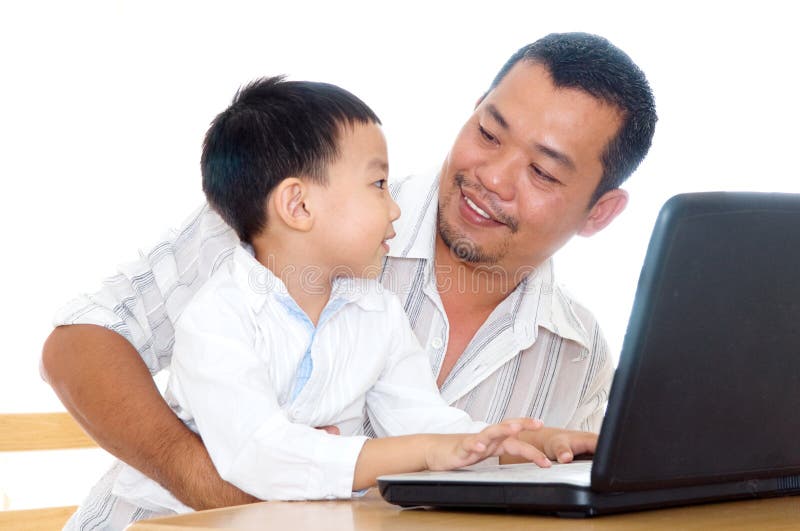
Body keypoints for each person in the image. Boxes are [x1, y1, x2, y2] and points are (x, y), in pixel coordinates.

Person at [42, 32, 657, 513]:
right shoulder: (279, 216)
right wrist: (221, 485)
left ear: (599, 213)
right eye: (488, 133)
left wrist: (508, 445)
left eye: (543, 173)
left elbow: (438, 434)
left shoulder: (578, 355)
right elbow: (78, 341)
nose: (493, 177)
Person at [66, 76, 548, 528]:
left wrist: (513, 442)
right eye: (378, 184)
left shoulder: (376, 312)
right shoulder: (218, 317)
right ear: (298, 206)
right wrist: (423, 450)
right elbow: (262, 456)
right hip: (169, 522)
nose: (396, 206)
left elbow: (429, 423)